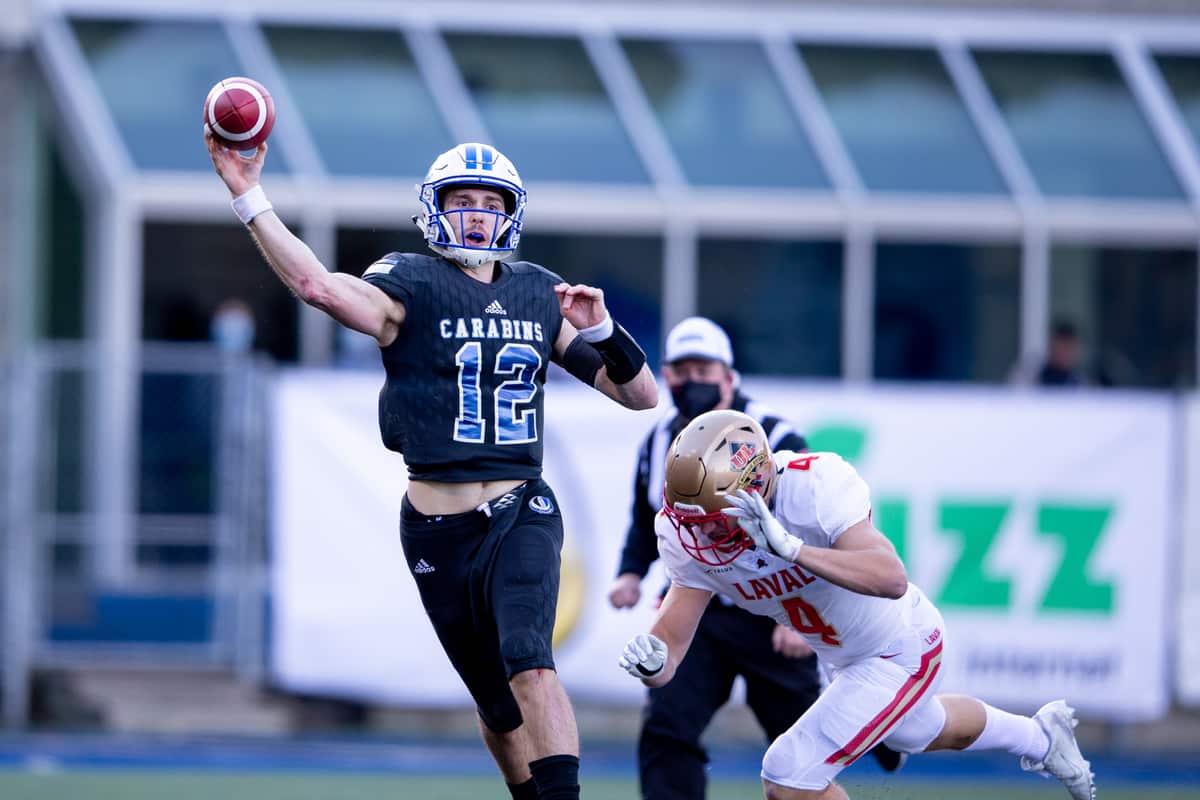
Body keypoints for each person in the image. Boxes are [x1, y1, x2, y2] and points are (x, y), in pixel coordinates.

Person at [205, 133, 658, 800]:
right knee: (497, 709)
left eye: (488, 201)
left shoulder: (540, 293)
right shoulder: (410, 281)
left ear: (512, 212)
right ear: (434, 208)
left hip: (520, 507)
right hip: (437, 527)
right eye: (461, 199)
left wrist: (599, 330)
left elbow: (639, 395)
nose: (476, 212)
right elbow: (316, 285)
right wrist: (248, 194)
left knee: (531, 663)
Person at [618, 410, 1096, 800]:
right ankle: (1042, 737)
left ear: (754, 487)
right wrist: (654, 660)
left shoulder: (813, 486)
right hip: (843, 659)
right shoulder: (684, 537)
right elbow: (673, 644)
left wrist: (794, 550)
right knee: (916, 731)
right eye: (689, 520)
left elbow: (890, 578)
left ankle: (1042, 738)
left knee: (787, 775)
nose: (698, 535)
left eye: (712, 522)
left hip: (901, 646)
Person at [610, 317, 900, 799]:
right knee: (667, 725)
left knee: (801, 740)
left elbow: (816, 524)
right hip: (700, 603)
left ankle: (890, 728)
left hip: (773, 605)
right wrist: (631, 573)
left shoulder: (774, 436)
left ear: (729, 375)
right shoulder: (662, 441)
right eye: (680, 370)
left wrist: (798, 613)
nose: (692, 381)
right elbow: (648, 518)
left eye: (703, 368)